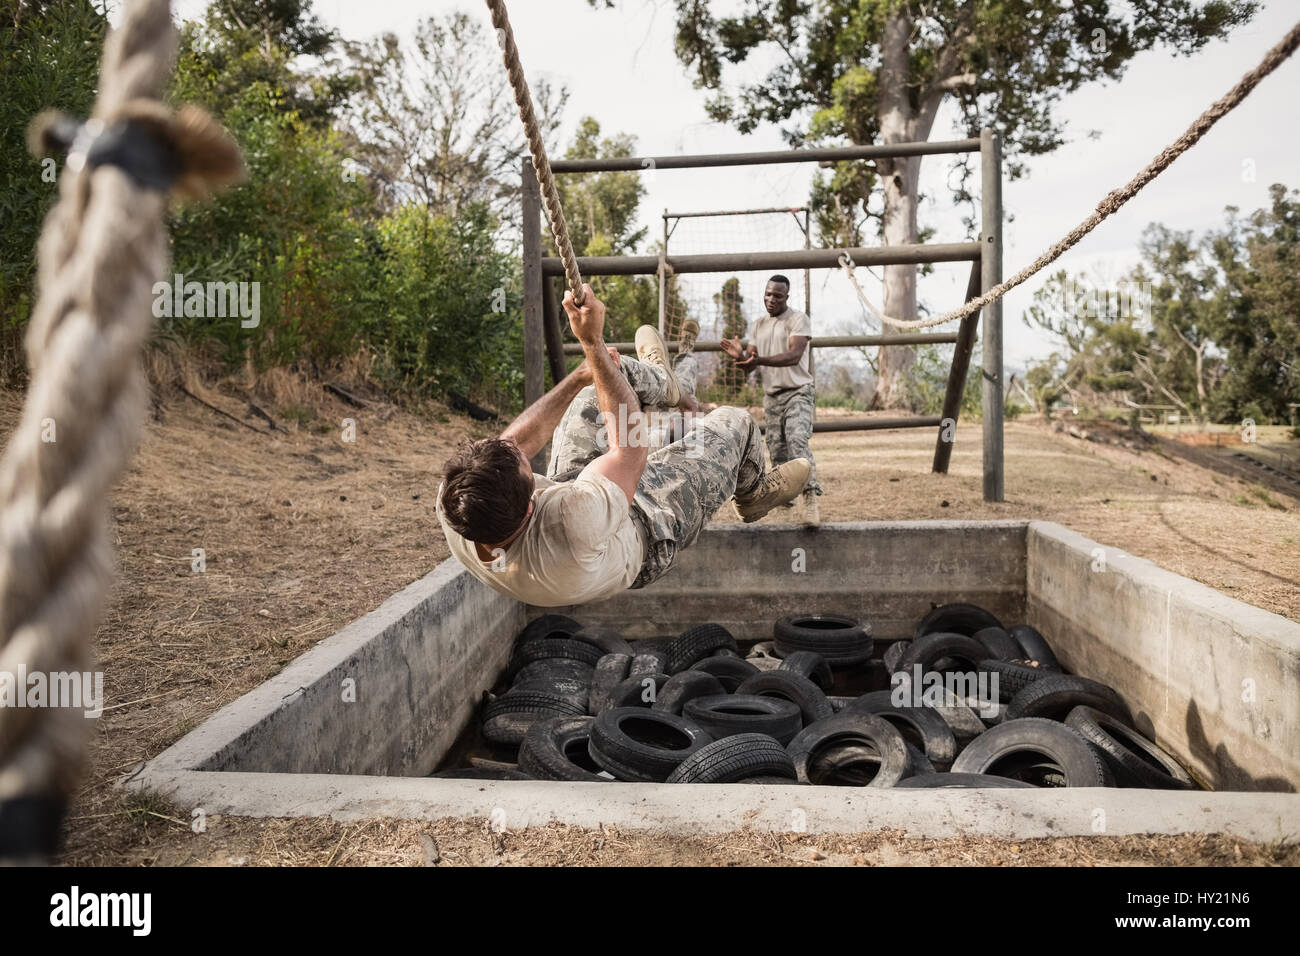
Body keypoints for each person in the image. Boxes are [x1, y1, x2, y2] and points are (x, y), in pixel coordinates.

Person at [436, 286, 810, 607]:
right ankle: (754, 492)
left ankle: (664, 382)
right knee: (736, 422)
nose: (519, 447)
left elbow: (510, 445)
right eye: (525, 463)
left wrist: (583, 372)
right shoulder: (571, 517)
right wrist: (592, 344)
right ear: (532, 501)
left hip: (579, 514)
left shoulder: (457, 503)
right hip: (646, 530)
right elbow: (629, 446)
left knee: (589, 392)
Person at [720, 274, 822, 526]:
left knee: (798, 440)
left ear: (787, 296)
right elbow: (750, 365)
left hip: (798, 391)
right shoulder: (758, 325)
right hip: (772, 396)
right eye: (768, 294)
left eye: (777, 295)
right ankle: (785, 502)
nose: (771, 299)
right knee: (776, 451)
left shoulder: (798, 320)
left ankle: (810, 501)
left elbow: (793, 355)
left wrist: (756, 359)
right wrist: (741, 355)